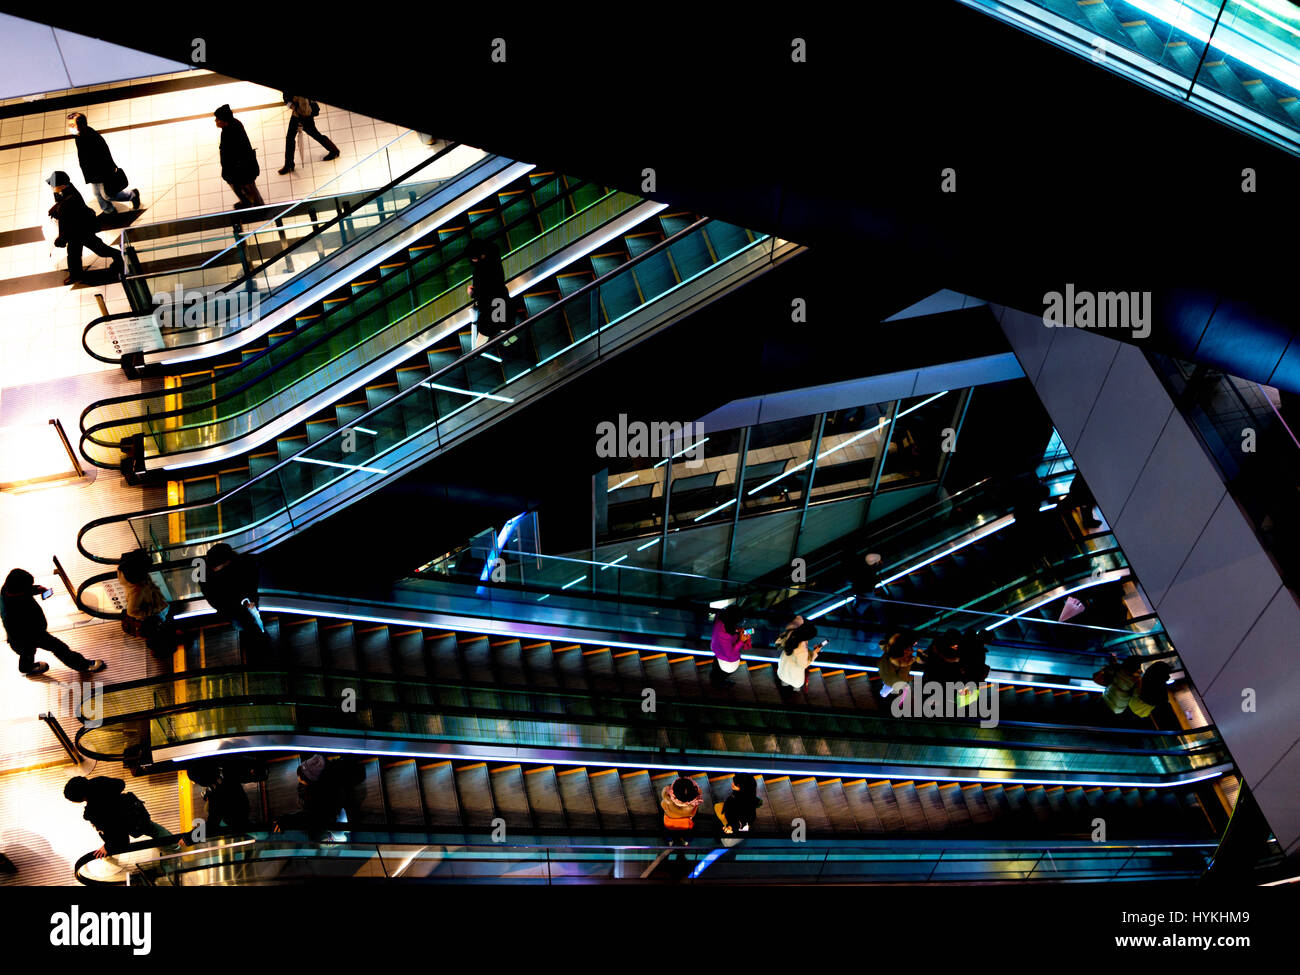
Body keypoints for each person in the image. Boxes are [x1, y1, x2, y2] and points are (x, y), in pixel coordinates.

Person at [2, 569, 105, 678]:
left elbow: (23, 591)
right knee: (59, 648)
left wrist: (36, 589)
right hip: (29, 636)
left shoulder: (6, 590)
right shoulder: (13, 611)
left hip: (20, 638)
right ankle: (83, 665)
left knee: (27, 652)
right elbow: (19, 630)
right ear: (21, 588)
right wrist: (40, 634)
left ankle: (26, 667)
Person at [63, 776, 175, 859]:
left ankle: (174, 851)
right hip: (135, 812)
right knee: (152, 829)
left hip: (129, 824)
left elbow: (118, 837)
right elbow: (121, 784)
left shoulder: (95, 813)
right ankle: (176, 846)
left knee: (151, 829)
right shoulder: (99, 782)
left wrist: (107, 846)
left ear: (80, 798)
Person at [45, 172, 124, 285]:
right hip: (77, 231)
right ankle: (75, 275)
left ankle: (118, 255)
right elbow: (61, 204)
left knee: (100, 249)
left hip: (81, 230)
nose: (52, 187)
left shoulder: (70, 200)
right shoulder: (66, 190)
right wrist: (56, 208)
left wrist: (61, 239)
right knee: (73, 254)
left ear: (62, 185)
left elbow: (70, 225)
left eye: (53, 185)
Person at [198, 543, 269, 656]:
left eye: (216, 565)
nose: (214, 568)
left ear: (227, 562)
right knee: (248, 623)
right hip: (236, 610)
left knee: (247, 624)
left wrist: (251, 600)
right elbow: (215, 600)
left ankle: (256, 637)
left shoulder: (243, 564)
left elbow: (251, 583)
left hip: (240, 608)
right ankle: (257, 636)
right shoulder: (244, 563)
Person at [68, 113, 139, 215]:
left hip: (101, 173)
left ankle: (132, 195)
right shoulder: (79, 135)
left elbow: (104, 156)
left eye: (72, 125)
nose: (70, 128)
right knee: (97, 193)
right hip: (92, 172)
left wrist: (108, 173)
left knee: (107, 195)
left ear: (81, 124)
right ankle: (109, 210)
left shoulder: (92, 137)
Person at [117, 549, 173, 657]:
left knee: (157, 634)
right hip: (154, 614)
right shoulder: (138, 590)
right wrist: (152, 611)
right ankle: (160, 649)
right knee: (157, 633)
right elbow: (132, 611)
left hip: (154, 611)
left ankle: (159, 649)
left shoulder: (127, 573)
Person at [465, 237, 516, 346]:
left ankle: (475, 354)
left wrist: (472, 292)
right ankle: (510, 338)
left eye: (473, 258)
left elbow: (482, 292)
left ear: (480, 256)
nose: (472, 260)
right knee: (502, 323)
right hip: (501, 297)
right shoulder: (494, 255)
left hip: (491, 305)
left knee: (485, 330)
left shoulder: (481, 272)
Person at [214, 105, 264, 209]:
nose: (216, 121)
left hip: (241, 166)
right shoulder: (230, 126)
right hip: (238, 166)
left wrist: (229, 166)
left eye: (218, 119)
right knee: (243, 184)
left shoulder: (232, 130)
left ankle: (258, 204)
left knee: (248, 184)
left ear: (224, 120)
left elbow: (235, 151)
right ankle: (248, 201)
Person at [277, 94, 339, 174]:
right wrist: (292, 106)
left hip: (305, 116)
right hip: (296, 114)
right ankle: (289, 164)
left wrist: (301, 119)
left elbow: (305, 107)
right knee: (290, 138)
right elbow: (286, 99)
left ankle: (334, 151)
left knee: (315, 134)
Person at [186, 760, 251, 830]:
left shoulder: (217, 795)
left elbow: (212, 824)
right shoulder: (229, 776)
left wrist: (189, 837)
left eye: (196, 781)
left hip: (238, 827)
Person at [774, 618, 823, 696]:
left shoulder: (791, 633)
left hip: (782, 671)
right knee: (796, 688)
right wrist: (814, 653)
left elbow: (778, 643)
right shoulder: (802, 648)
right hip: (795, 679)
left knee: (784, 681)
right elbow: (804, 664)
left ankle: (784, 687)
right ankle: (793, 693)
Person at [709, 605, 751, 687]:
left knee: (716, 670)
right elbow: (730, 656)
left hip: (717, 650)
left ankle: (715, 678)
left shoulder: (720, 620)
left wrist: (736, 630)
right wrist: (741, 641)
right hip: (729, 663)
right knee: (720, 675)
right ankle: (719, 683)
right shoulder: (725, 635)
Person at [715, 772, 762, 839]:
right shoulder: (745, 794)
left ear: (744, 788)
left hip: (735, 821)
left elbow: (741, 820)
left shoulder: (746, 805)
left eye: (736, 785)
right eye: (734, 782)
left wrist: (731, 827)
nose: (732, 784)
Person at [660, 775, 703, 845]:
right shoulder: (693, 805)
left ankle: (670, 840)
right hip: (686, 825)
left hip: (669, 824)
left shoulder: (667, 801)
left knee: (668, 832)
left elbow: (663, 806)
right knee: (688, 833)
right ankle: (686, 841)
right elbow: (693, 814)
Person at [877, 631, 917, 698]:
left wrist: (913, 677)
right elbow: (887, 652)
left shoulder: (898, 678)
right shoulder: (885, 675)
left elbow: (903, 674)